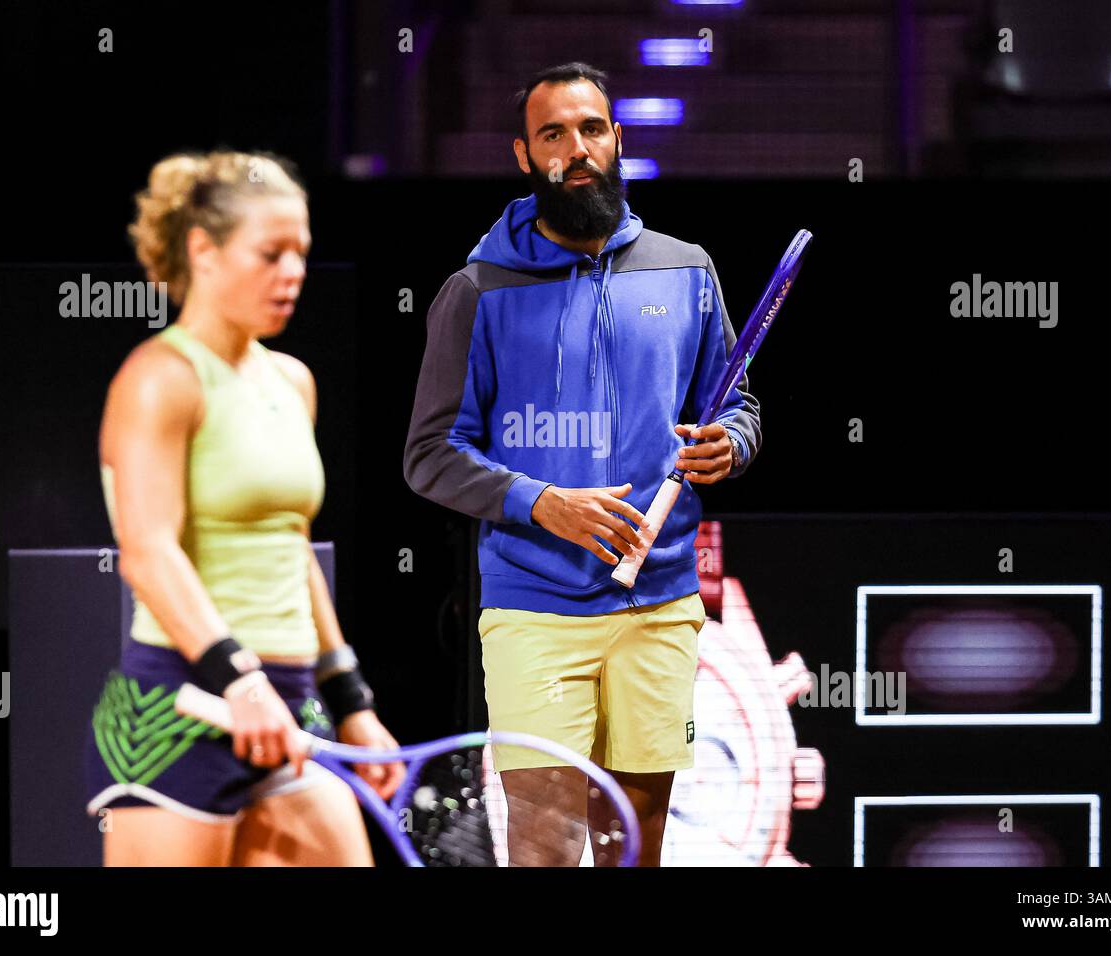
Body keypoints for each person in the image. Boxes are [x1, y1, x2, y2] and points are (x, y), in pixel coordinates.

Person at [403, 63, 761, 866]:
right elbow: (428, 456)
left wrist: (730, 444)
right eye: (553, 135)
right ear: (524, 157)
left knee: (636, 845)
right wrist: (543, 503)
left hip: (660, 605)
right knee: (545, 849)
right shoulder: (478, 288)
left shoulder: (688, 269)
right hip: (533, 611)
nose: (577, 150)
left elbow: (736, 406)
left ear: (618, 140)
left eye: (591, 129)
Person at [86, 150, 403, 866]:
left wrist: (351, 699)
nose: (293, 273)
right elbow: (148, 551)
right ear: (203, 250)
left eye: (302, 253)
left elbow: (293, 547)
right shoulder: (158, 378)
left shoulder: (293, 382)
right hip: (182, 707)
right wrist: (241, 679)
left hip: (288, 705)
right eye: (271, 253)